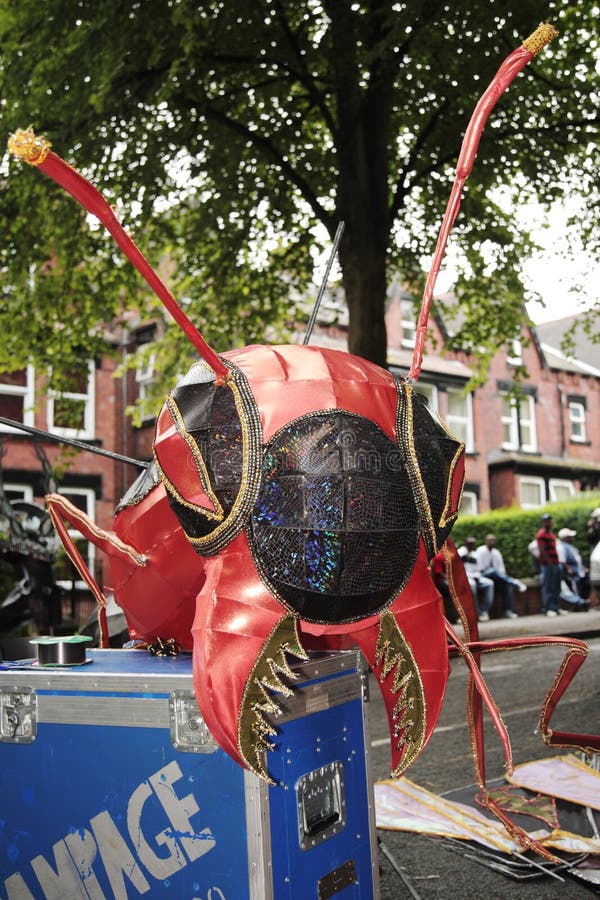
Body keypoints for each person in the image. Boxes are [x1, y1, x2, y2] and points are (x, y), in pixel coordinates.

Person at [475, 534, 525, 619]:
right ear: (485, 541)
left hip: (496, 578)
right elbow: (479, 568)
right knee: (493, 571)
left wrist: (502, 577)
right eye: (489, 540)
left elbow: (501, 569)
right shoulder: (480, 550)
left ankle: (507, 611)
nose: (491, 542)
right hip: (483, 576)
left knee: (507, 586)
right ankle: (514, 581)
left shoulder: (496, 552)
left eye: (493, 540)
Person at [536, 513, 567, 617]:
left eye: (549, 520)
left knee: (556, 586)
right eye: (546, 521)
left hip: (555, 563)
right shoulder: (541, 534)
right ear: (543, 522)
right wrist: (549, 563)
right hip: (547, 565)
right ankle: (547, 608)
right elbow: (542, 550)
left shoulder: (551, 535)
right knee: (548, 586)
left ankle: (556, 607)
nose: (548, 522)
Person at [457, 537, 494, 622]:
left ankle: (484, 611)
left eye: (472, 544)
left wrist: (477, 576)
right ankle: (474, 611)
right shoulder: (460, 552)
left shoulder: (476, 554)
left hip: (475, 577)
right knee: (472, 585)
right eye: (469, 543)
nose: (471, 545)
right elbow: (459, 569)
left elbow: (479, 569)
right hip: (465, 578)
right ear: (466, 543)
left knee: (489, 583)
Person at [556, 528, 589, 609]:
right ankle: (578, 605)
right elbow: (562, 560)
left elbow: (577, 559)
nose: (572, 538)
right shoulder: (561, 546)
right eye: (570, 536)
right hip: (572, 572)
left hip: (578, 571)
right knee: (574, 589)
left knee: (580, 588)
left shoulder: (570, 546)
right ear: (565, 537)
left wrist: (583, 567)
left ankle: (581, 604)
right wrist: (568, 568)